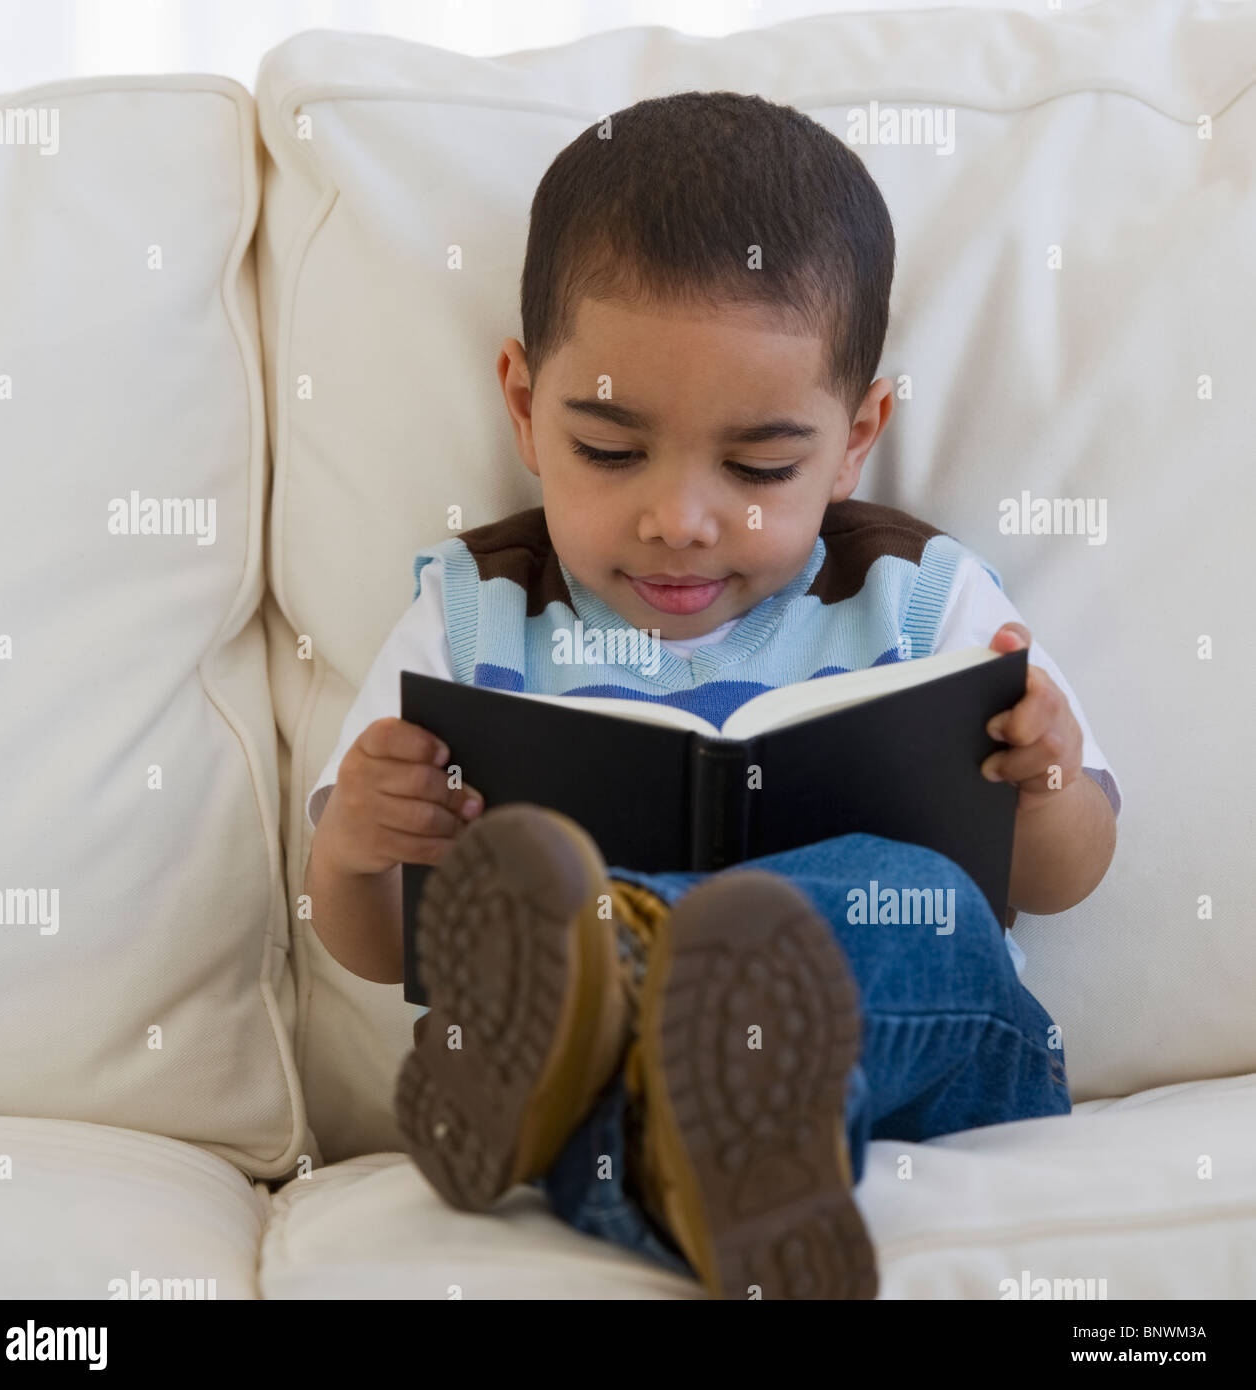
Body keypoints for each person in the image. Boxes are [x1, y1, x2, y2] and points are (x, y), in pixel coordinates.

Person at [302, 91, 1121, 1299]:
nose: (680, 519)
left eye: (759, 466)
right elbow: (377, 945)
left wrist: (1043, 776)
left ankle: (634, 987)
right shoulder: (473, 619)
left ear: (856, 438)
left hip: (920, 1049)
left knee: (929, 906)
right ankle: (723, 1162)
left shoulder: (913, 598)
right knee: (597, 1081)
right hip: (625, 1087)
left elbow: (1058, 876)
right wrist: (360, 848)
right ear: (526, 407)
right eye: (611, 449)